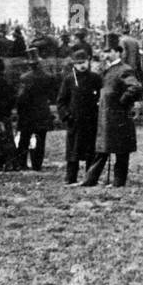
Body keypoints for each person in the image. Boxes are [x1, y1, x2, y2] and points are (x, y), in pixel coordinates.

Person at [83, 36, 143, 188]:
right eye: (104, 52)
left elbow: (135, 87)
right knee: (103, 149)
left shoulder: (124, 69)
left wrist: (121, 102)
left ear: (117, 52)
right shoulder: (108, 69)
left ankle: (118, 182)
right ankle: (91, 180)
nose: (106, 55)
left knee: (121, 151)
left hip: (119, 117)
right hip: (107, 117)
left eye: (109, 52)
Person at [57, 49, 101, 184]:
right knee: (73, 151)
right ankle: (70, 177)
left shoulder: (95, 78)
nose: (82, 65)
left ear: (89, 62)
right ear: (74, 64)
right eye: (78, 63)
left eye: (84, 62)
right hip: (74, 121)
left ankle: (90, 178)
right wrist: (67, 116)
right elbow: (61, 101)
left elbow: (101, 97)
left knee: (90, 150)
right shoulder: (69, 79)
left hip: (91, 121)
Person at [14, 52, 55, 172]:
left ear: (30, 64)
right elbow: (52, 94)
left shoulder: (25, 78)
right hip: (42, 110)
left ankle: (22, 163)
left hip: (27, 112)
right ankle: (37, 164)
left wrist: (19, 110)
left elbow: (20, 97)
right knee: (40, 138)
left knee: (24, 138)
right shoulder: (48, 77)